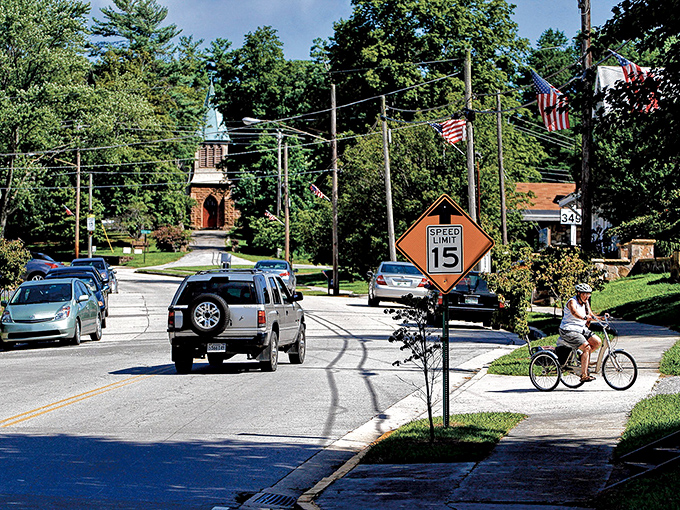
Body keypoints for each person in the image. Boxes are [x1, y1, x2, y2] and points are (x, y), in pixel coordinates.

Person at [558, 283, 602, 382]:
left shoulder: (586, 303)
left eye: (589, 294)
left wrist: (603, 318)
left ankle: (582, 359)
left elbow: (591, 315)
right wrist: (583, 318)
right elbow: (574, 312)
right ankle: (584, 375)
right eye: (584, 294)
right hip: (568, 330)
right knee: (587, 347)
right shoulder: (572, 302)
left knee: (597, 342)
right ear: (578, 293)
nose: (587, 296)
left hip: (580, 329)